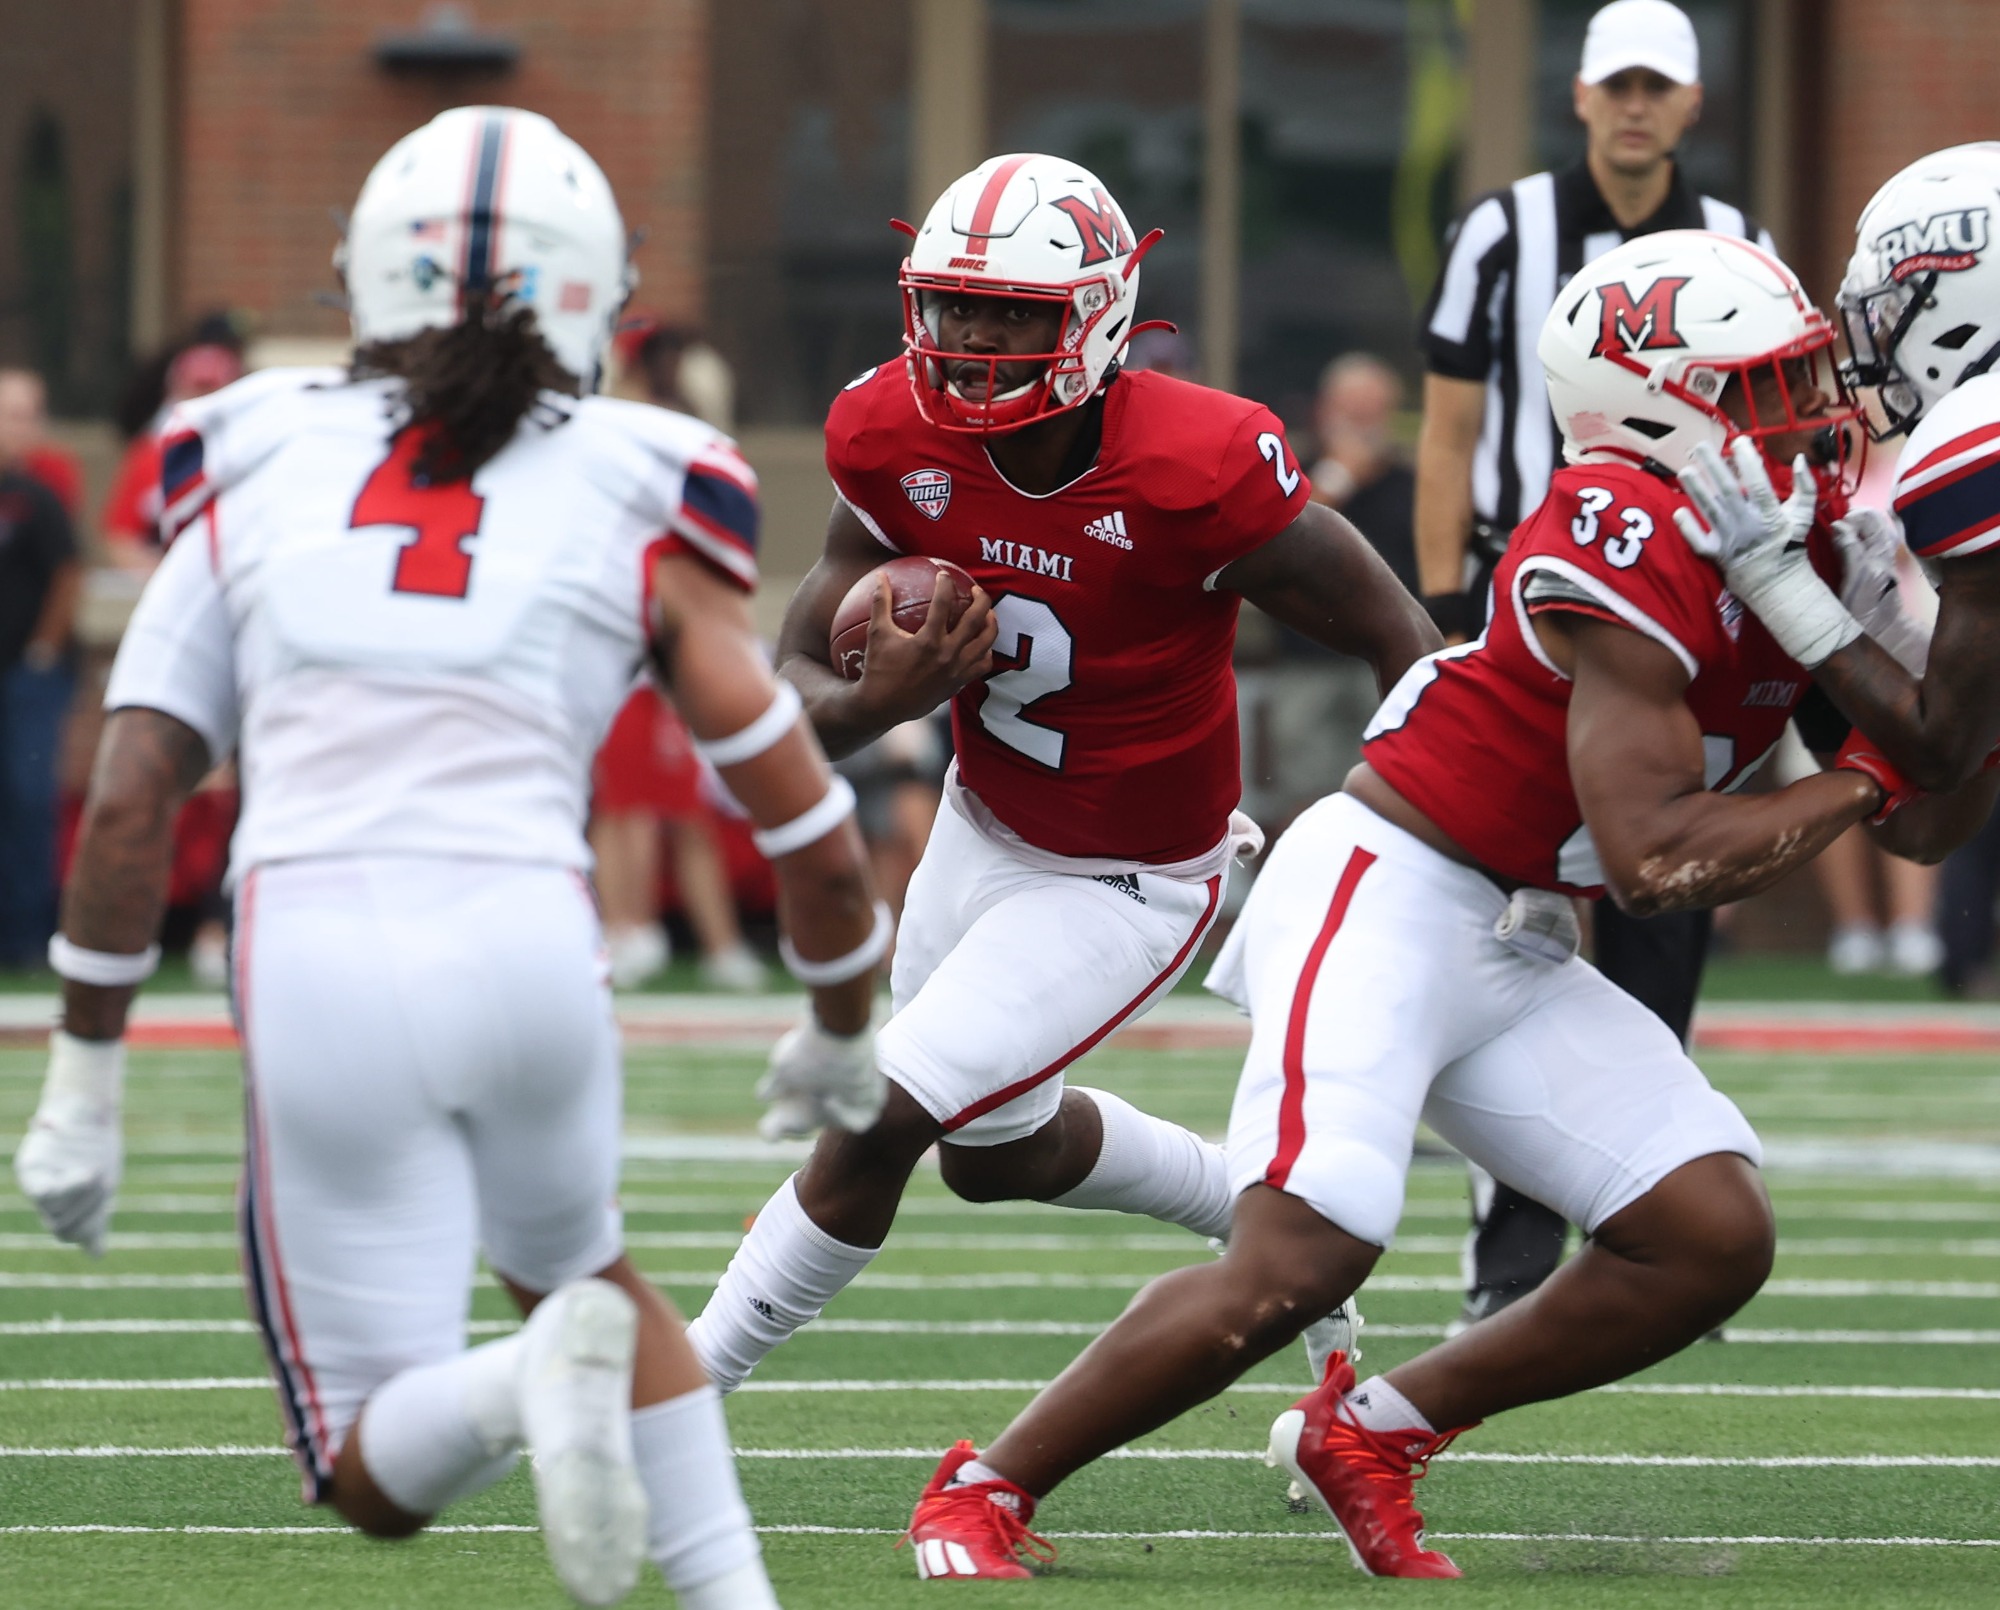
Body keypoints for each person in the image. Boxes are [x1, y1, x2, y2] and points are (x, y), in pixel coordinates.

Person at [898, 230, 1997, 1581]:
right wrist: (1859, 775)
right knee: (1299, 1254)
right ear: (1660, 412)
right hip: (1383, 890)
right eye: (1770, 391)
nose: (1817, 417)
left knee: (1709, 1231)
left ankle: (1372, 1429)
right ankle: (985, 1484)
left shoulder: (1820, 535)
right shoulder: (1625, 519)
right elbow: (1655, 859)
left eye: (1813, 379)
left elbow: (1940, 814)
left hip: (1515, 926)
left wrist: (1860, 644)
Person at [11, 106, 891, 1610]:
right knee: (591, 1272)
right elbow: (798, 803)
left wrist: (83, 1079)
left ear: (365, 279)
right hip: (536, 954)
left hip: (324, 959)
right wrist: (839, 1019)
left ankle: (522, 1385)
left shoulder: (246, 458)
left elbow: (133, 800)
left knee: (371, 1471)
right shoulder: (635, 476)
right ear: (591, 297)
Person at [684, 152, 1437, 1398]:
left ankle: (682, 1389)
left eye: (1013, 313)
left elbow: (1396, 636)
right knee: (990, 1153)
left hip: (1131, 875)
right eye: (954, 304)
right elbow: (794, 702)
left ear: (1093, 318)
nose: (973, 338)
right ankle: (1261, 1216)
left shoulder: (1198, 462)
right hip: (977, 830)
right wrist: (879, 704)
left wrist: (1428, 846)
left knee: (877, 1116)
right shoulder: (886, 430)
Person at [1411, 0, 1774, 1330]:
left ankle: (1652, 1210)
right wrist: (1447, 605)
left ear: (1688, 105)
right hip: (1543, 602)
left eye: (1657, 89)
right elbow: (1450, 433)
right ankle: (1509, 1254)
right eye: (1615, 85)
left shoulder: (1741, 244)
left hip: (1699, 606)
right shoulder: (1502, 230)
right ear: (1579, 96)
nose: (1635, 108)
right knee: (1524, 921)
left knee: (1668, 910)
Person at [0, 395, 79, 970]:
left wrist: (42, 650)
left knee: (28, 798)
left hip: (26, 676)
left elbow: (68, 572)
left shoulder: (36, 499)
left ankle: (27, 935)